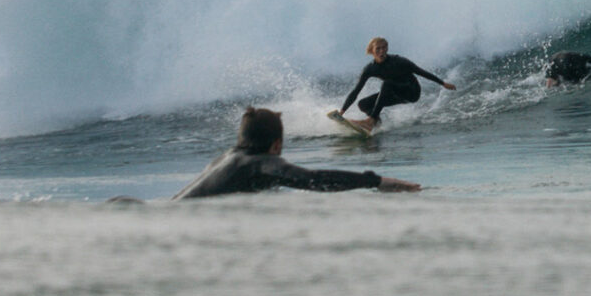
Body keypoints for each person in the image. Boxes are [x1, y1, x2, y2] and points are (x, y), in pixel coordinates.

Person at [173, 107, 420, 199]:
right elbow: (314, 179)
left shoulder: (226, 159)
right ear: (276, 146)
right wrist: (375, 181)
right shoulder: (258, 163)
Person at [335, 37, 456, 134]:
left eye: (384, 48)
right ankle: (376, 122)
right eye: (378, 49)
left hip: (411, 92)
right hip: (394, 93)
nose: (381, 51)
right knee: (363, 104)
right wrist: (342, 112)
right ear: (372, 51)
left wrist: (443, 83)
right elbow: (356, 90)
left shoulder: (399, 61)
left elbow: (421, 72)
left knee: (387, 84)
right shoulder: (370, 69)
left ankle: (370, 121)